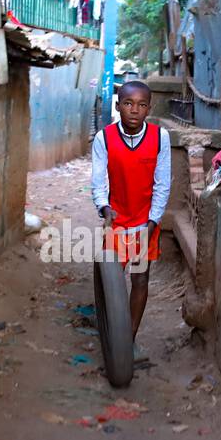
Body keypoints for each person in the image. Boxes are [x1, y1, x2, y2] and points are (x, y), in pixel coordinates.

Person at [91, 80, 171, 362]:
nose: (134, 110)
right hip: (116, 220)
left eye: (141, 105)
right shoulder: (105, 138)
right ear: (118, 106)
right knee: (110, 278)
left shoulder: (161, 138)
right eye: (127, 103)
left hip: (145, 221)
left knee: (140, 278)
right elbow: (98, 181)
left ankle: (129, 341)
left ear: (149, 108)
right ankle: (110, 326)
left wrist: (153, 222)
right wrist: (104, 208)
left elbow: (162, 184)